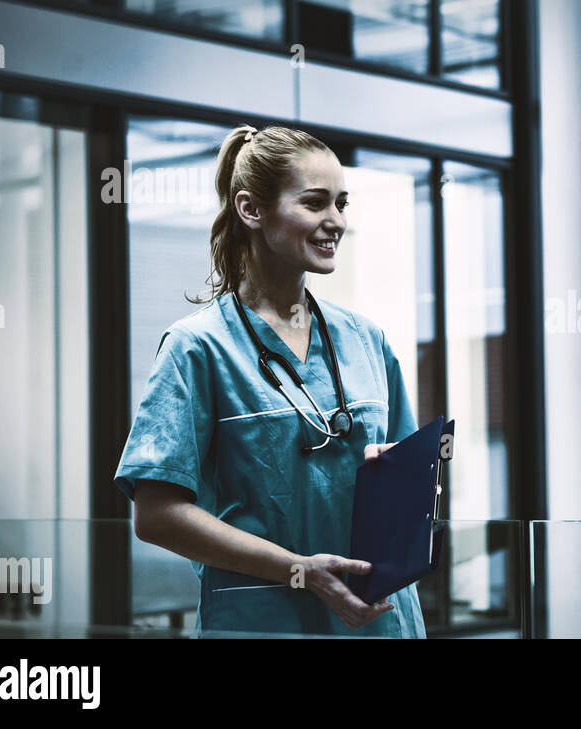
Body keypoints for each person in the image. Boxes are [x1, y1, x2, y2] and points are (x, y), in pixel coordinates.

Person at [114, 125, 425, 637]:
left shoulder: (366, 340)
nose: (336, 222)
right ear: (251, 210)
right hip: (262, 620)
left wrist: (403, 488)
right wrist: (300, 572)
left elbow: (413, 483)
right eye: (315, 203)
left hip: (378, 621)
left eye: (341, 204)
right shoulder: (197, 347)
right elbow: (157, 514)